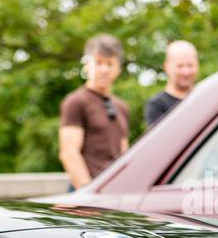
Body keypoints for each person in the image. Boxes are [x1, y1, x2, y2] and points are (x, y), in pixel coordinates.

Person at [59, 34, 130, 189]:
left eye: (110, 63)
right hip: (87, 193)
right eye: (98, 63)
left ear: (118, 68)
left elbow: (124, 153)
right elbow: (69, 153)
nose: (104, 69)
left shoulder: (122, 107)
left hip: (115, 191)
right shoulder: (75, 102)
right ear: (86, 65)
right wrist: (89, 195)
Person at [144, 40, 199, 127]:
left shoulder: (203, 96)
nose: (186, 72)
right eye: (180, 66)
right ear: (166, 67)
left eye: (190, 65)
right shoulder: (157, 105)